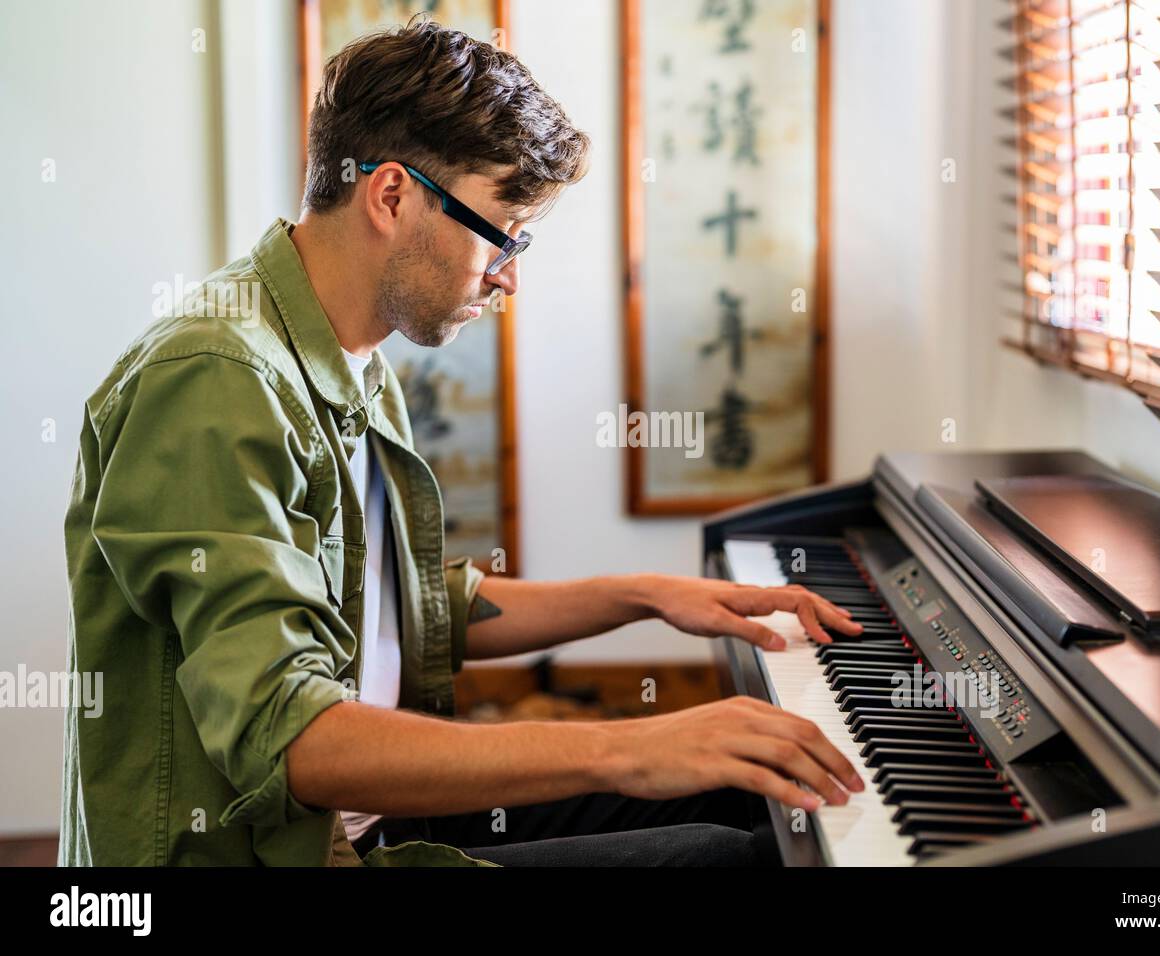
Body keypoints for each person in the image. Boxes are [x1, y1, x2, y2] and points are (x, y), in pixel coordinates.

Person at [60, 17, 864, 867]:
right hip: (282, 851)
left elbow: (405, 607)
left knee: (748, 787)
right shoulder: (218, 378)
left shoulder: (350, 353)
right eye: (501, 233)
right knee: (726, 856)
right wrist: (634, 744)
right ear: (393, 196)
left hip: (364, 818)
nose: (510, 272)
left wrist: (645, 594)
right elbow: (291, 737)